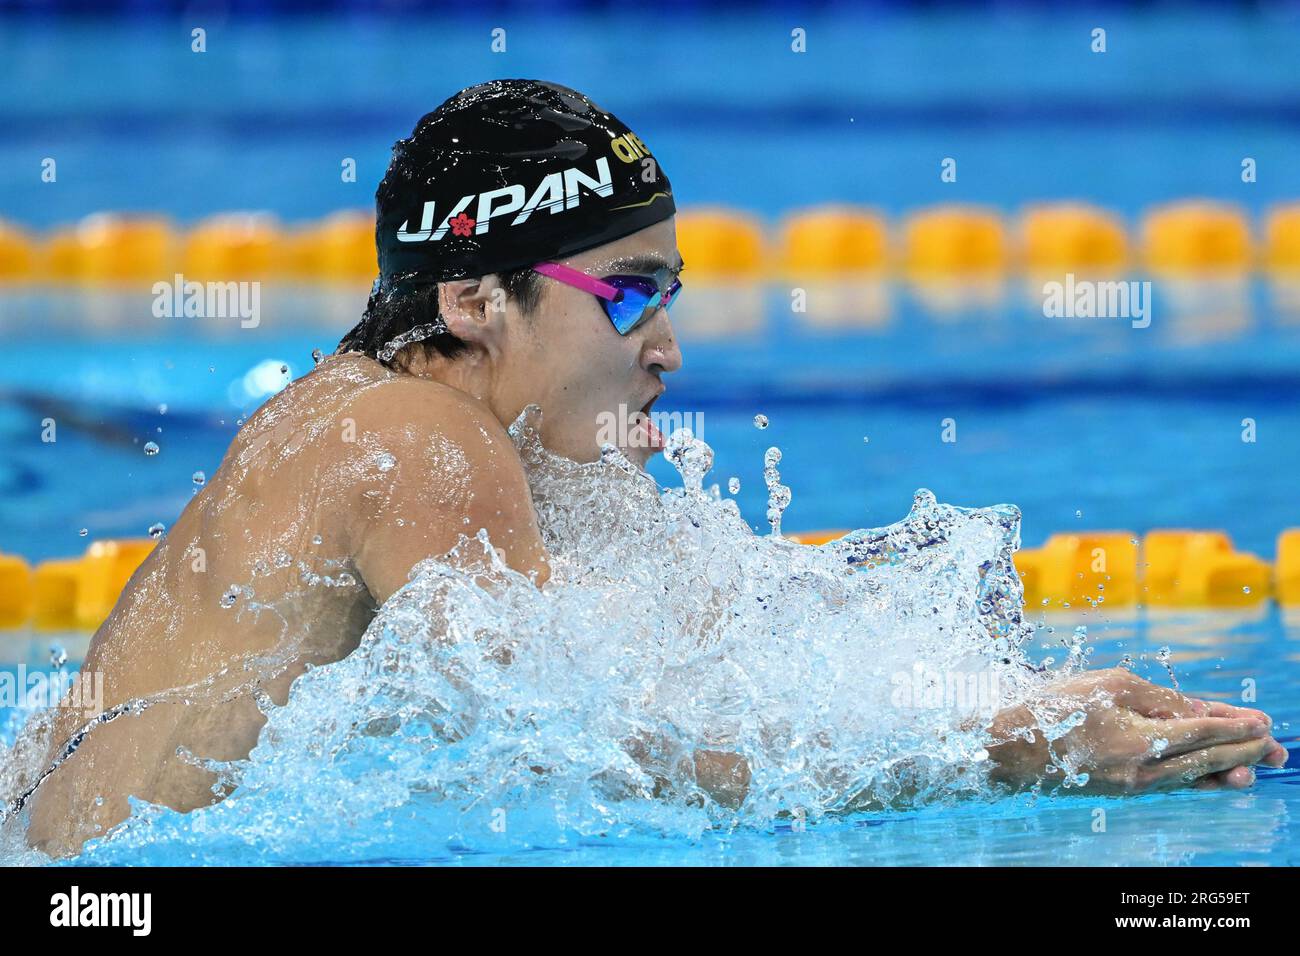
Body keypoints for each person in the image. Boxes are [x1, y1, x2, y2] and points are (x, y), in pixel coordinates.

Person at [20, 79, 1286, 858]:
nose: (667, 347)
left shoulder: (464, 429)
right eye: (627, 296)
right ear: (472, 299)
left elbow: (703, 641)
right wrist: (1002, 749)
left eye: (667, 295)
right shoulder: (412, 438)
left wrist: (1025, 696)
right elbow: (600, 744)